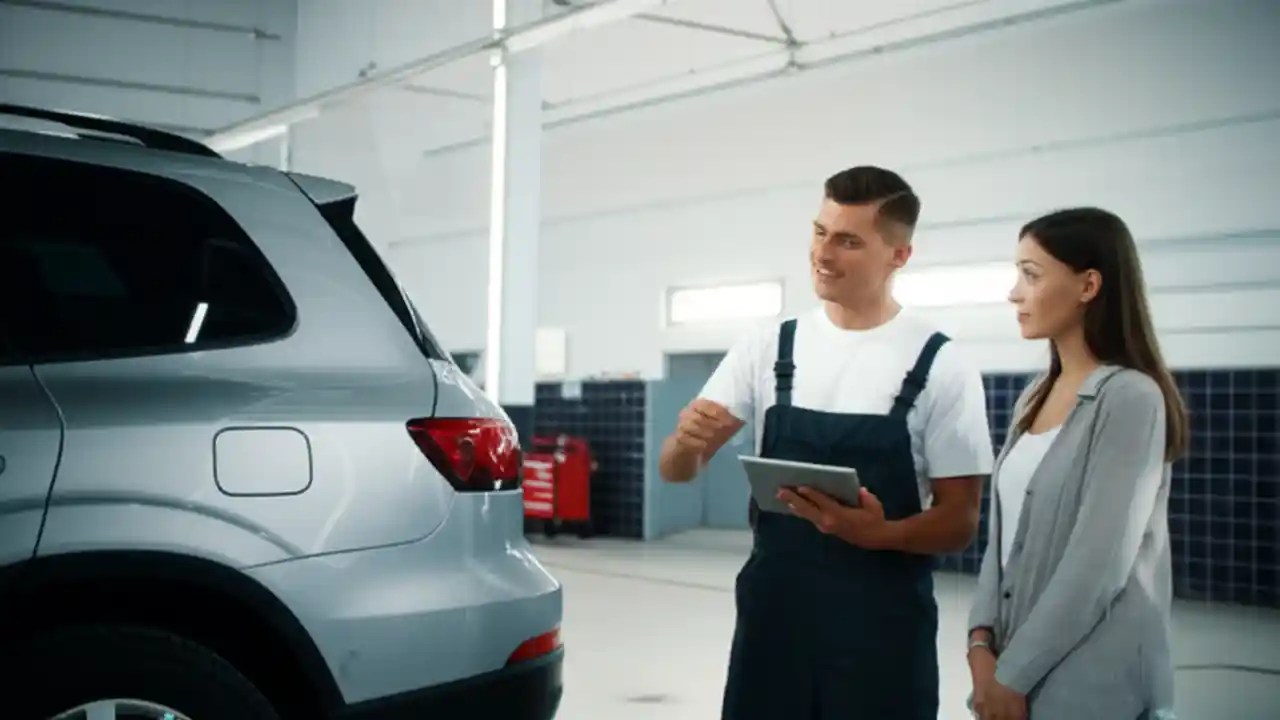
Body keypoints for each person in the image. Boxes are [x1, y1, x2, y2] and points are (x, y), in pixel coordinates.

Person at [659, 165, 995, 720]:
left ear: (899, 255)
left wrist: (879, 533)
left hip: (882, 633)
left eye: (848, 241)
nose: (823, 253)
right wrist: (685, 442)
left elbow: (960, 522)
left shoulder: (941, 364)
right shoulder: (768, 347)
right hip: (773, 624)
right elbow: (676, 470)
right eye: (819, 231)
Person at [965, 207, 1188, 720]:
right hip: (1008, 671)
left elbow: (1098, 566)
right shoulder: (1032, 399)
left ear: (1088, 285)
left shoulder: (1130, 398)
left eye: (1031, 274)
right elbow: (1001, 545)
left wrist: (1012, 675)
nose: (1014, 292)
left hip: (1089, 684)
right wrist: (980, 644)